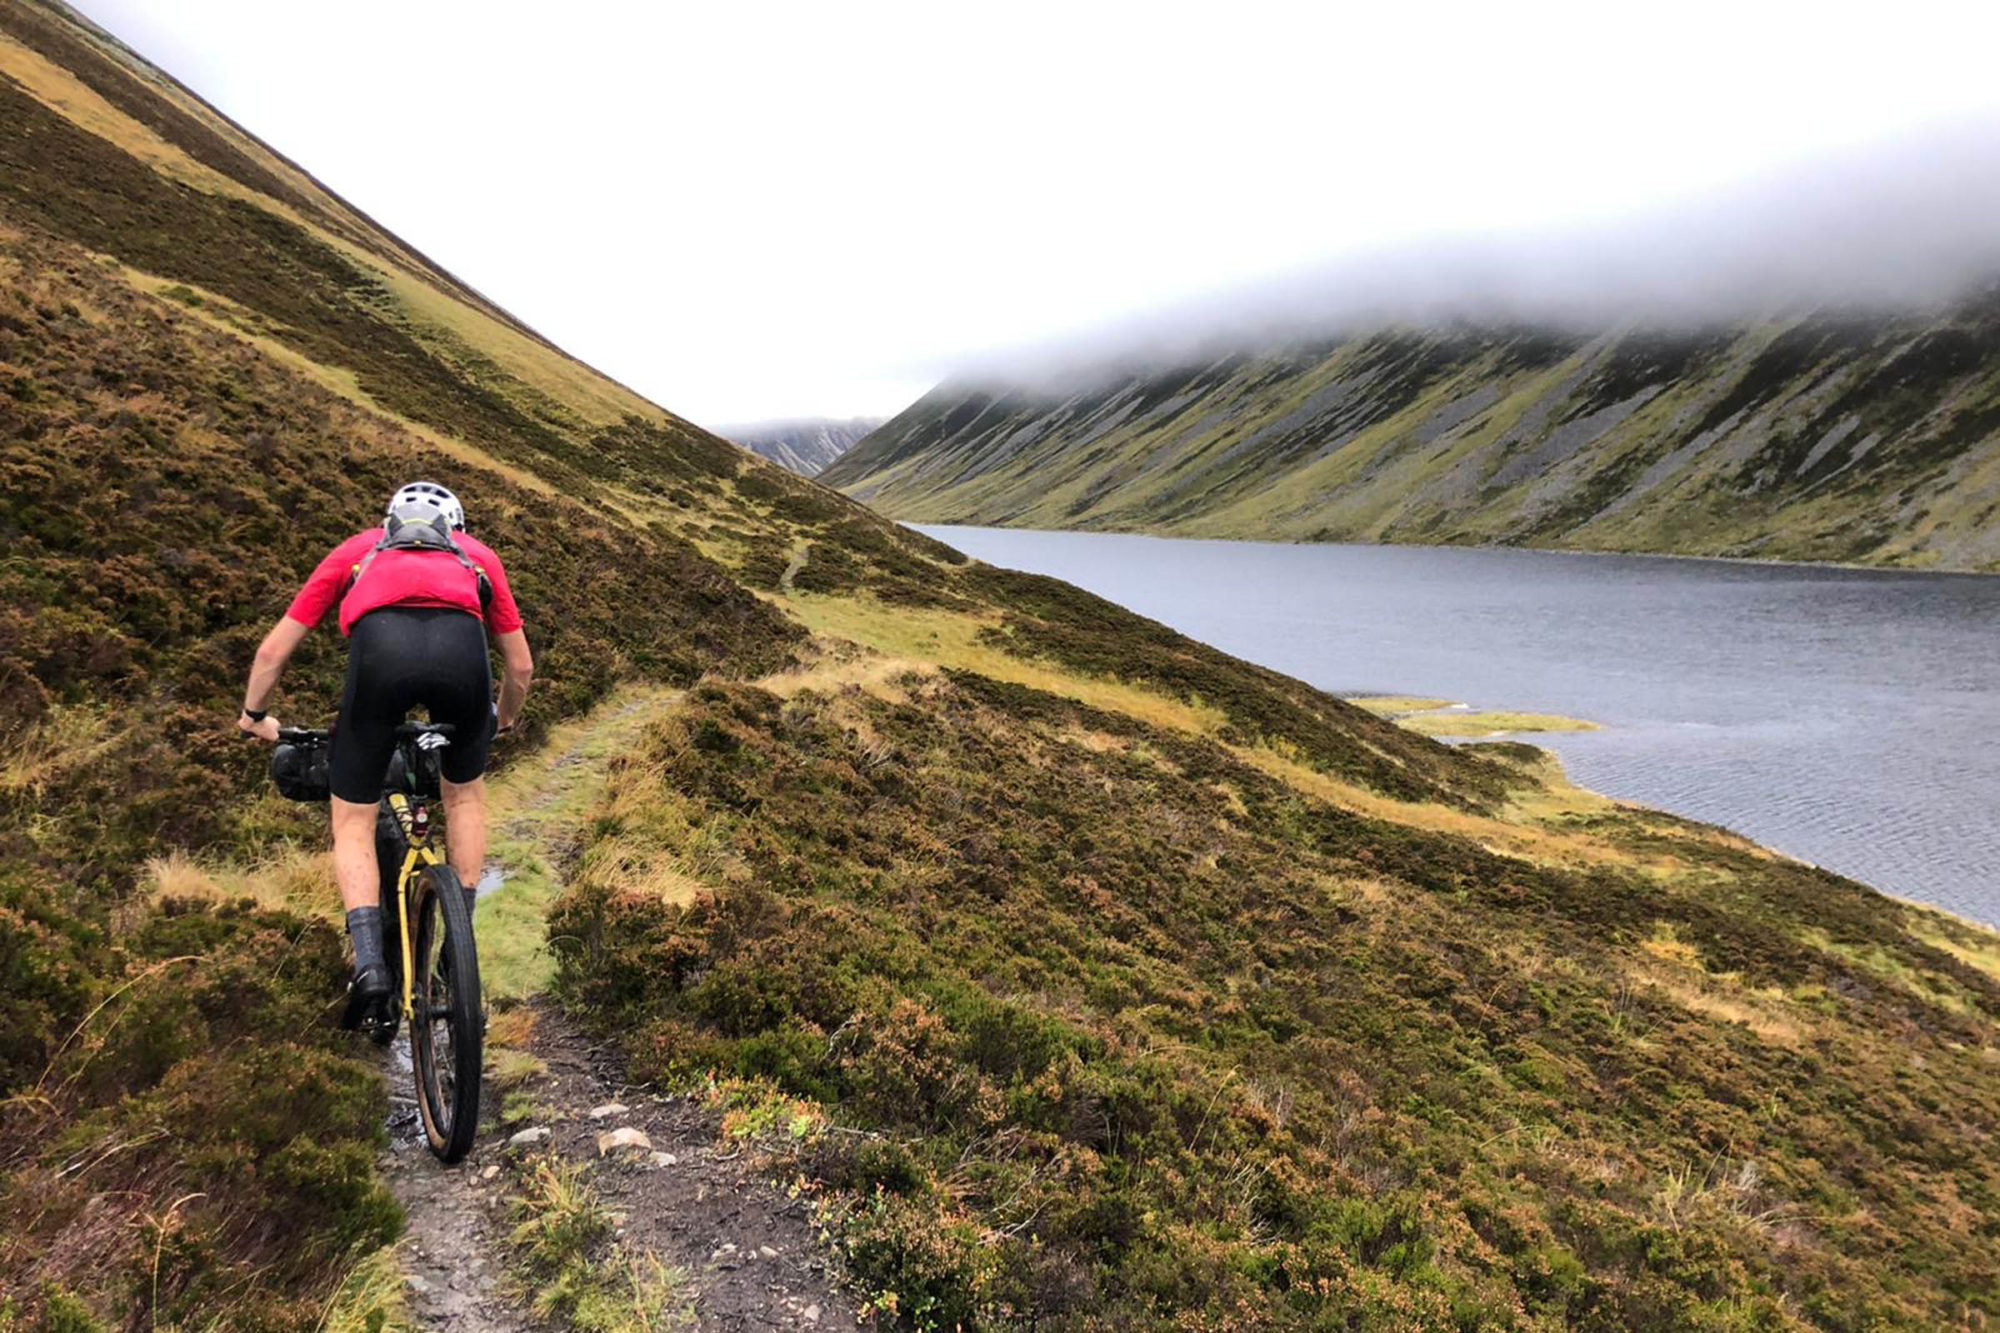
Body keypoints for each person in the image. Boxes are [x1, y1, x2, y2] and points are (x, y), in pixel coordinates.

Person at [236, 481, 533, 1020]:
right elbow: (520, 667)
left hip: (379, 664)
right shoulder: (479, 557)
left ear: (390, 522)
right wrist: (503, 719)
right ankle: (455, 946)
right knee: (463, 797)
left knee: (353, 818)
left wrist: (255, 716)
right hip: (463, 665)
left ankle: (370, 964)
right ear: (455, 530)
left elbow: (272, 650)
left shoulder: (359, 549)